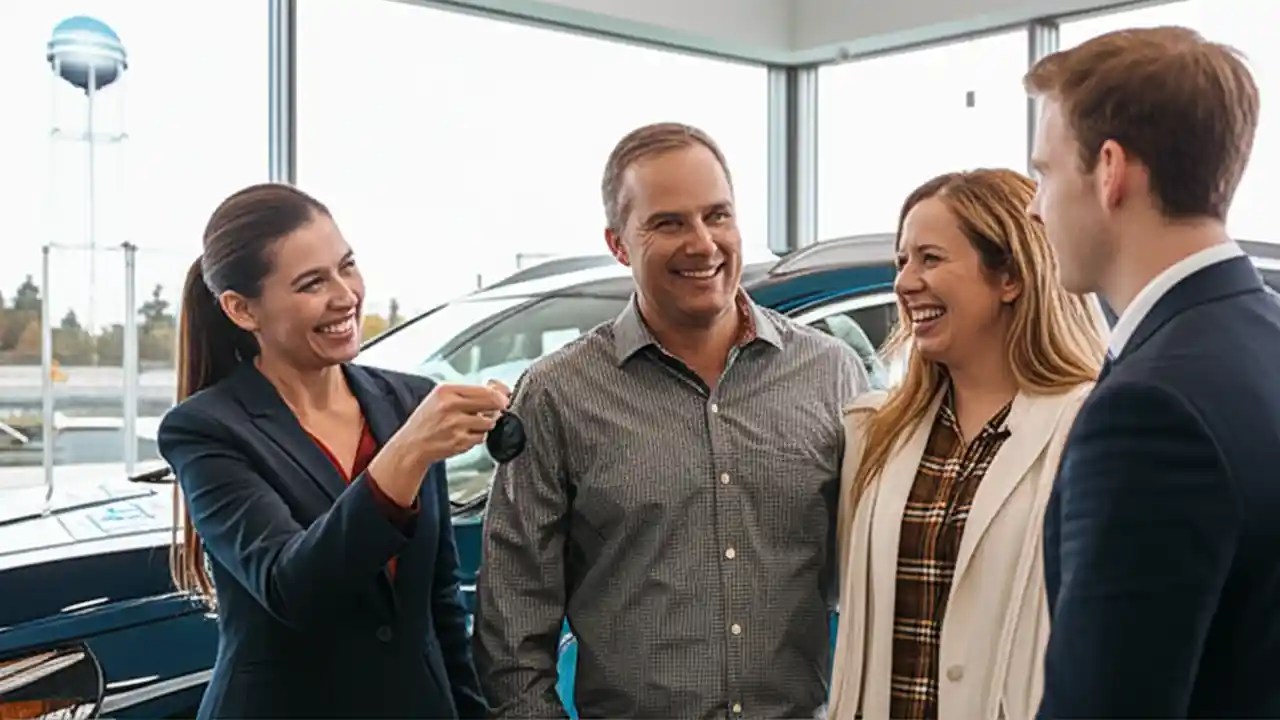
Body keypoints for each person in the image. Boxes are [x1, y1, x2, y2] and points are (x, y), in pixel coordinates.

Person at [471, 122, 868, 718]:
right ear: (618, 243)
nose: (703, 243)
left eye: (718, 216)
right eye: (668, 222)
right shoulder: (558, 395)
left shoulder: (829, 374)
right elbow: (511, 632)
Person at [158, 183, 503, 719]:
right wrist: (406, 453)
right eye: (311, 283)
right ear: (241, 309)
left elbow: (439, 607)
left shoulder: (408, 400)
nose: (345, 296)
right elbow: (291, 586)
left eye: (347, 266)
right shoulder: (205, 430)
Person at [1026, 26, 1280, 718]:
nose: (1034, 204)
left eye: (1044, 173)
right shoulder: (1264, 336)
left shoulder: (1149, 411)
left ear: (1109, 171)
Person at [827, 169, 1106, 720]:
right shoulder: (875, 431)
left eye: (930, 259)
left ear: (1010, 277)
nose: (905, 283)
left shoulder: (1089, 426)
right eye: (902, 261)